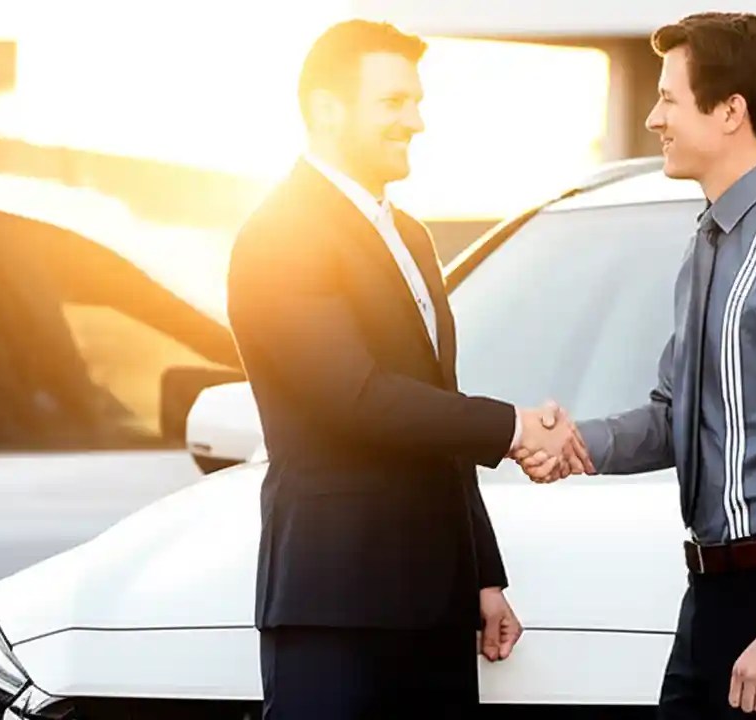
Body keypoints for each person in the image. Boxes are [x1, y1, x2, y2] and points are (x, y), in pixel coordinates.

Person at [518, 12, 756, 718]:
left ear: (730, 112)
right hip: (711, 599)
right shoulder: (709, 245)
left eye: (668, 99)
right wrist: (574, 443)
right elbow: (675, 415)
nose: (654, 118)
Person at [226, 19, 590, 718]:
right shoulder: (279, 233)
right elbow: (354, 397)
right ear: (328, 110)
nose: (416, 121)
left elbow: (433, 407)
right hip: (335, 601)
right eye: (392, 103)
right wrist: (512, 426)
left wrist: (482, 575)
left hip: (434, 605)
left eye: (416, 102)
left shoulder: (412, 237)